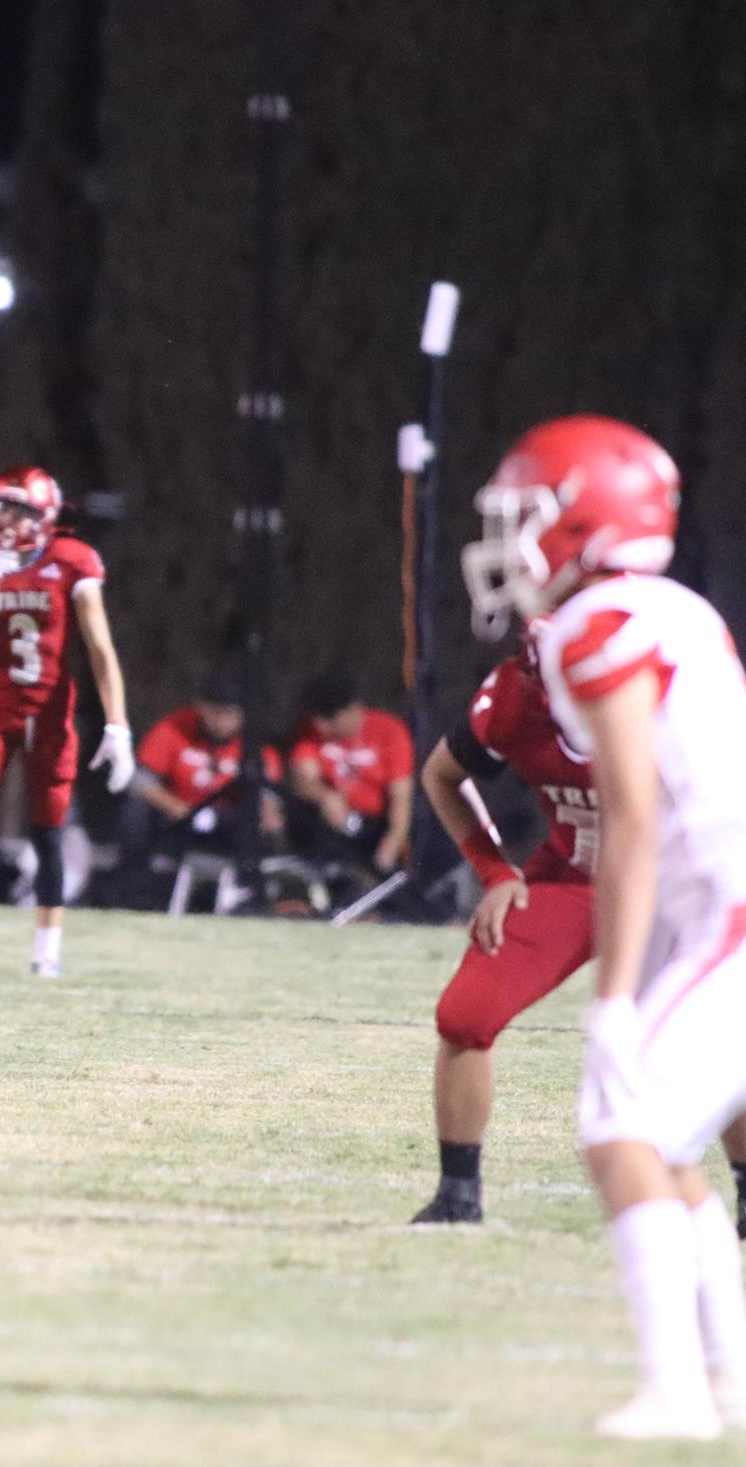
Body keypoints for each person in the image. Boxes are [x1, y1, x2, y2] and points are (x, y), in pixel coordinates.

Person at [464, 413, 746, 1438]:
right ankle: (724, 1384)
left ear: (582, 520)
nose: (507, 540)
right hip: (719, 901)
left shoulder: (592, 627)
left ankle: (679, 1394)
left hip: (731, 909)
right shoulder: (667, 608)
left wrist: (615, 994)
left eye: (526, 515)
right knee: (663, 1147)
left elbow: (627, 810)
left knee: (620, 1127)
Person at [0, 466, 134, 979]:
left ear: (43, 516)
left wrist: (118, 724)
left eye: (14, 508)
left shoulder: (72, 559)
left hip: (51, 712)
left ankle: (46, 949)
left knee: (49, 829)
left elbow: (100, 648)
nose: (0, 518)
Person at [408, 630, 595, 1224]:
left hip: (681, 887)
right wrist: (495, 871)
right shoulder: (516, 699)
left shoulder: (683, 702)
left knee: (720, 1035)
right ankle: (458, 1197)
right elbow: (441, 775)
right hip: (574, 877)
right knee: (467, 1014)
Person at [131, 672, 284, 847]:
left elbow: (268, 793)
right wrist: (178, 809)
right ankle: (135, 869)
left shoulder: (255, 741)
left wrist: (268, 814)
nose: (221, 722)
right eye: (214, 712)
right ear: (201, 707)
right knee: (136, 808)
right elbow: (140, 779)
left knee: (268, 822)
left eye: (229, 714)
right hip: (178, 813)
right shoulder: (175, 726)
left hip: (227, 819)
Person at [286, 672, 414, 877]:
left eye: (328, 719)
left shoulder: (390, 731)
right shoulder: (311, 733)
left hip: (374, 826)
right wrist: (325, 796)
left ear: (351, 711)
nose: (320, 727)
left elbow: (401, 795)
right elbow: (303, 777)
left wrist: (394, 839)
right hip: (330, 825)